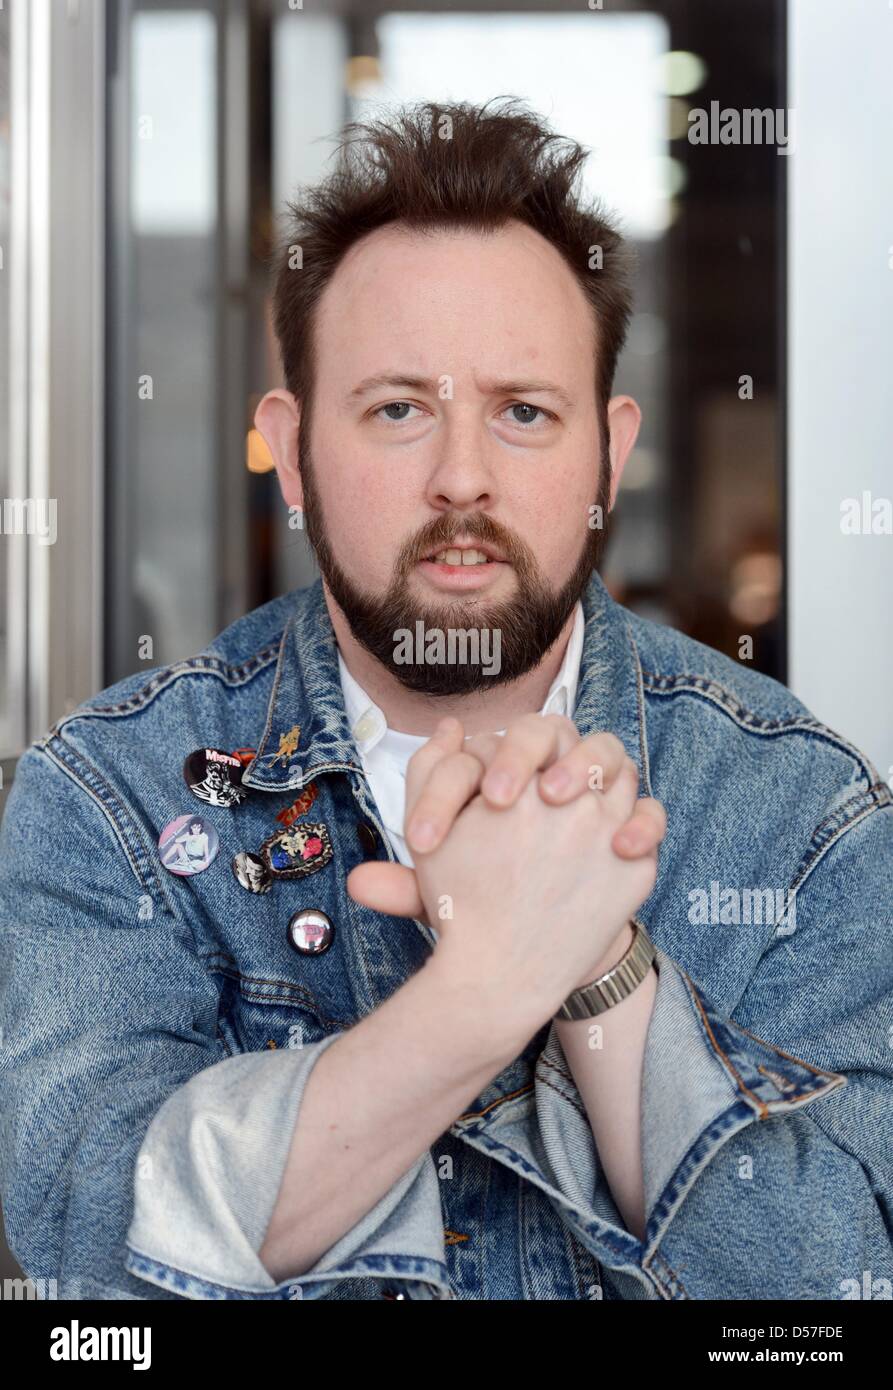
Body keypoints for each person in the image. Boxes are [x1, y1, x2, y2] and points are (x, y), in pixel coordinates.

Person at [0, 98, 890, 1302]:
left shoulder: (800, 808)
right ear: (294, 446)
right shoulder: (109, 799)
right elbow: (96, 1263)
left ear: (607, 459)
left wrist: (605, 974)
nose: (461, 477)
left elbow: (836, 1297)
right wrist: (491, 988)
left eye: (523, 412)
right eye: (397, 409)